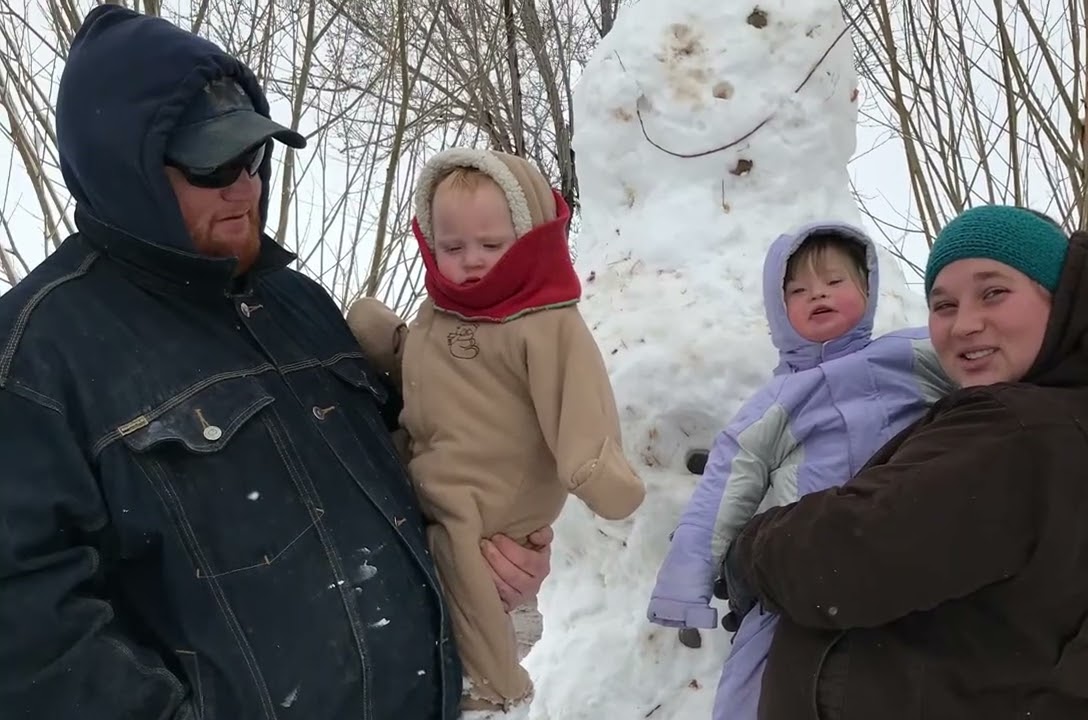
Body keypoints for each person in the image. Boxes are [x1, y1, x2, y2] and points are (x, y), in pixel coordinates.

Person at [0, 6, 551, 719]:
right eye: (212, 163)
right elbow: (28, 635)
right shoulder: (37, 353)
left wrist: (494, 553)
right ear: (124, 171)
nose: (246, 186)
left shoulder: (298, 306)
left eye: (254, 156)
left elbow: (427, 469)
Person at [720, 205, 1088, 719]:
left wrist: (753, 549)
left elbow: (854, 552)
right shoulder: (1076, 410)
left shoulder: (1021, 428)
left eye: (994, 292)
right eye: (943, 305)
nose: (966, 324)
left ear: (1060, 300)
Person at [346, 149, 646, 716]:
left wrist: (595, 468)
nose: (472, 263)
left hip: (495, 497)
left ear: (528, 237)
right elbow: (426, 369)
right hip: (432, 472)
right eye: (453, 248)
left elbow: (577, 396)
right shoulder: (441, 313)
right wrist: (386, 341)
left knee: (464, 559)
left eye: (491, 245)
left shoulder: (545, 321)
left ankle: (492, 688)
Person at [645, 222, 952, 720]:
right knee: (756, 686)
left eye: (835, 282)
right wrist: (685, 584)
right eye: (798, 290)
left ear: (868, 290)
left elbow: (987, 372)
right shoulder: (776, 402)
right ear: (778, 307)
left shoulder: (912, 355)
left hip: (907, 555)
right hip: (807, 572)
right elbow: (724, 489)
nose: (818, 294)